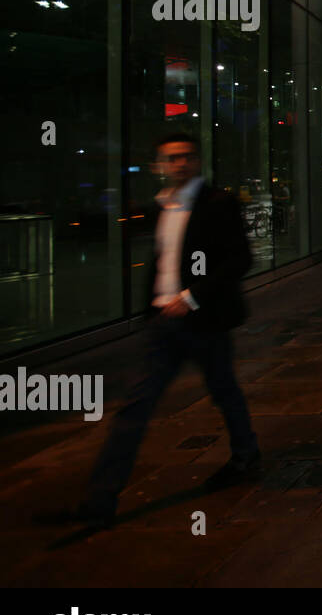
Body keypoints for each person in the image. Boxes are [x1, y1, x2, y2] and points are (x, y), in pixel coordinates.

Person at [37, 133, 259, 532]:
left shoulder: (218, 203)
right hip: (162, 326)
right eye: (171, 159)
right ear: (159, 164)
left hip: (203, 321)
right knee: (134, 410)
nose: (180, 165)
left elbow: (240, 259)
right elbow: (163, 263)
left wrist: (191, 298)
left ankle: (245, 455)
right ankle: (99, 502)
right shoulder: (161, 207)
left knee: (224, 391)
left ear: (197, 161)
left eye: (187, 157)